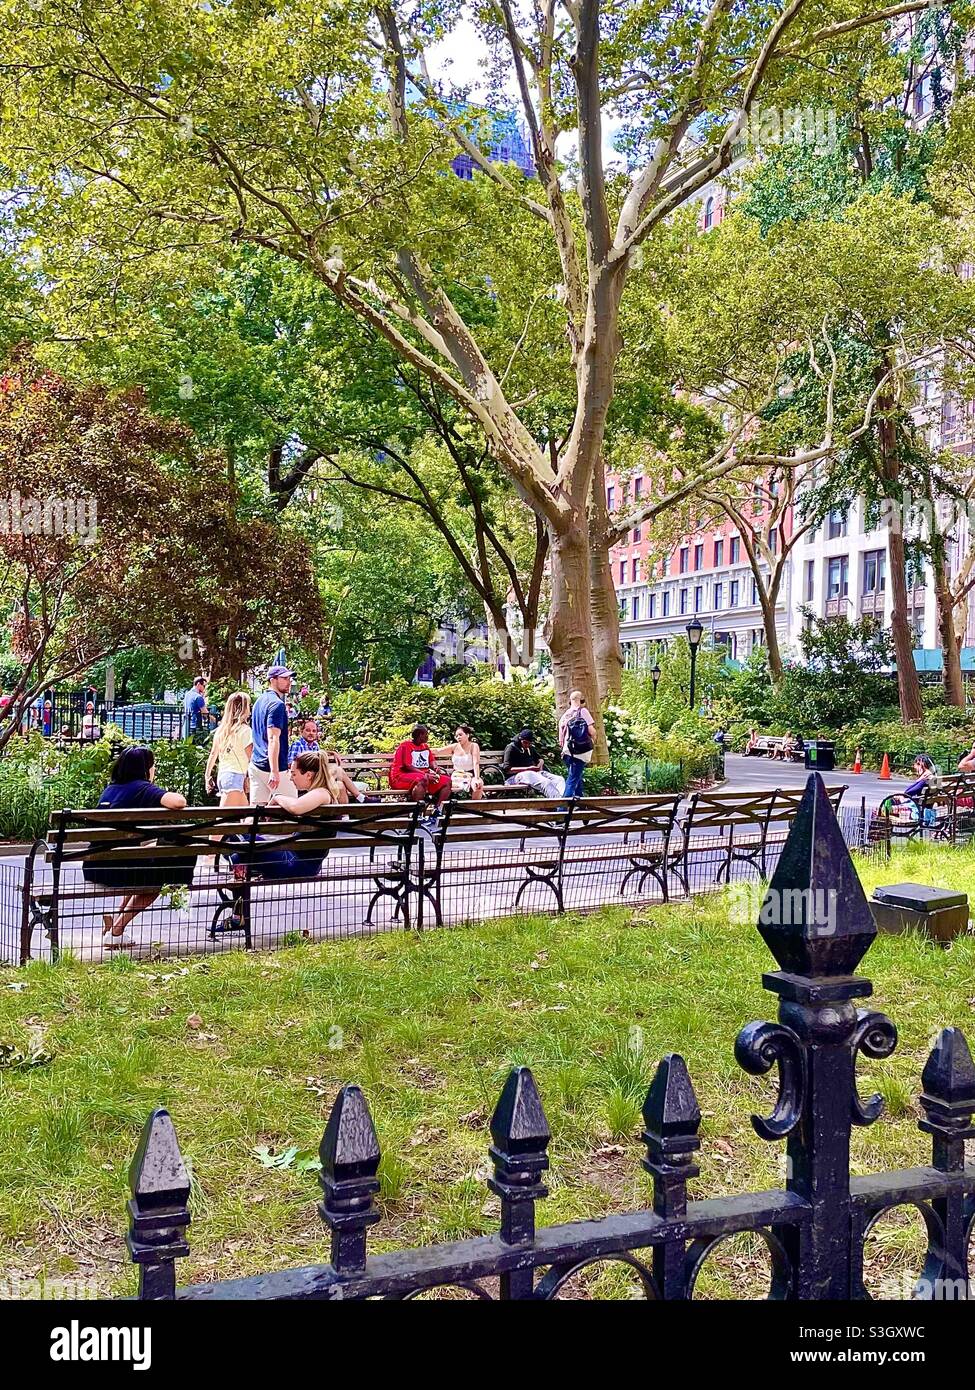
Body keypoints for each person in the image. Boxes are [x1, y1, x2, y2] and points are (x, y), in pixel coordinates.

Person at [83, 747, 195, 947]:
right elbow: (179, 802)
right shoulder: (142, 788)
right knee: (158, 881)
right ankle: (117, 931)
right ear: (145, 768)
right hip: (119, 870)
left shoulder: (111, 789)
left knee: (143, 863)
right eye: (153, 766)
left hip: (95, 867)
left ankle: (116, 923)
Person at [230, 751, 338, 882]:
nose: (291, 778)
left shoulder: (322, 793)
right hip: (298, 862)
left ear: (308, 775)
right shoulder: (321, 794)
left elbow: (295, 807)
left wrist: (277, 797)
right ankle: (240, 866)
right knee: (242, 845)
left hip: (296, 864)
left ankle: (239, 871)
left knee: (239, 834)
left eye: (294, 774)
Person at [249, 666, 297, 806]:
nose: (289, 681)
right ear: (272, 680)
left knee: (257, 811)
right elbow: (273, 738)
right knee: (294, 807)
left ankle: (249, 828)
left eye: (289, 678)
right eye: (284, 678)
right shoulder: (277, 705)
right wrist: (274, 771)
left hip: (256, 764)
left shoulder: (259, 701)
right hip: (273, 767)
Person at [388, 724, 452, 821]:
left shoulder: (425, 746)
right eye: (426, 734)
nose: (428, 737)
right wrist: (425, 775)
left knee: (447, 781)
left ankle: (437, 810)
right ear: (420, 735)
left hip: (423, 777)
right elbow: (407, 766)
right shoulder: (405, 746)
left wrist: (436, 768)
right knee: (422, 779)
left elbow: (431, 761)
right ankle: (417, 813)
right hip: (401, 776)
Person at [205, 692, 253, 809]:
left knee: (247, 816)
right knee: (223, 821)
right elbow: (251, 759)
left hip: (224, 775)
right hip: (236, 776)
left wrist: (207, 776)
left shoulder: (221, 730)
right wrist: (250, 779)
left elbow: (213, 754)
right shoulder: (245, 730)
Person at [503, 728, 566, 798]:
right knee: (545, 782)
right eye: (525, 742)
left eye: (529, 743)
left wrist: (539, 766)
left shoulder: (529, 748)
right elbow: (507, 769)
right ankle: (559, 804)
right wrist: (527, 769)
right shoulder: (511, 748)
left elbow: (540, 759)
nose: (527, 745)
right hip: (515, 777)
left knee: (559, 779)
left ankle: (563, 800)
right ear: (520, 739)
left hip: (532, 774)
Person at [558, 691, 595, 800]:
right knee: (572, 779)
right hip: (579, 751)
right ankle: (562, 809)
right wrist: (592, 742)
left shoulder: (564, 716)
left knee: (576, 778)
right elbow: (592, 731)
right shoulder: (583, 711)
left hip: (566, 752)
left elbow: (560, 739)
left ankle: (581, 805)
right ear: (581, 700)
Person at [437, 725, 485, 800]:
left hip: (470, 775)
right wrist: (423, 748)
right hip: (457, 776)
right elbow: (438, 751)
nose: (458, 737)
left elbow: (476, 763)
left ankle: (474, 809)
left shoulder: (474, 746)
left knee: (478, 785)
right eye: (456, 736)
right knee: (444, 784)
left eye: (460, 735)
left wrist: (477, 778)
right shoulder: (454, 746)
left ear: (467, 735)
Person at [183, 676, 215, 742]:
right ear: (198, 684)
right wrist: (214, 719)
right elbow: (205, 713)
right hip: (195, 726)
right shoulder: (198, 697)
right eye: (204, 686)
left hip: (186, 725)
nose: (204, 688)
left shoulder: (187, 694)